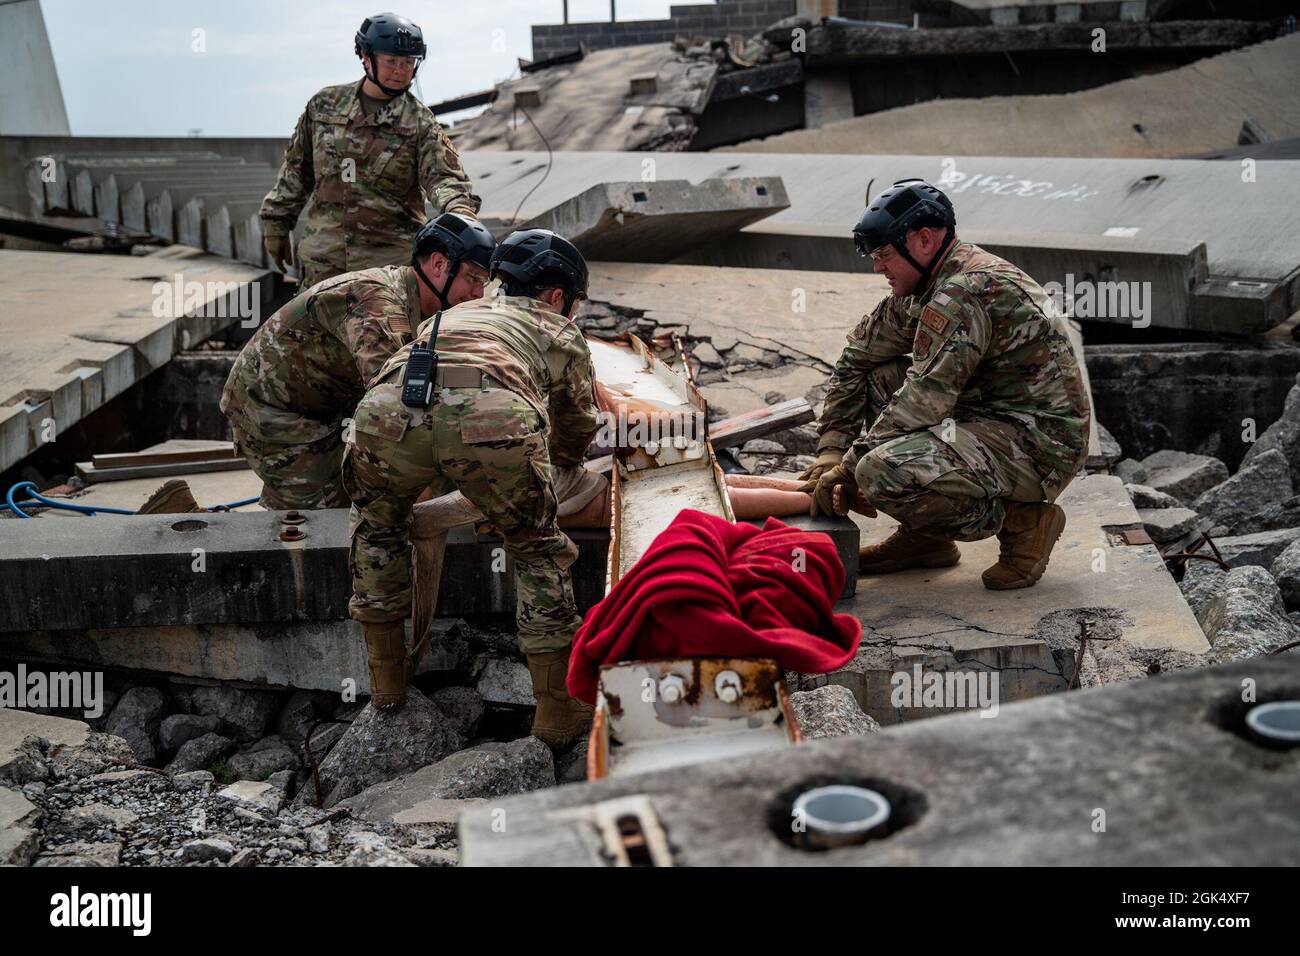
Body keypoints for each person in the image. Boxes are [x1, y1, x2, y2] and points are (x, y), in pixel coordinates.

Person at [343, 228, 600, 748]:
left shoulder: (446, 315)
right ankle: (555, 713)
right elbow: (576, 425)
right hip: (492, 413)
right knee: (536, 552)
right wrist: (553, 474)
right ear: (556, 296)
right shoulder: (558, 330)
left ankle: (387, 687)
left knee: (377, 533)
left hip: (386, 410)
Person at [801, 178, 1091, 590]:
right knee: (875, 376)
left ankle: (1024, 523)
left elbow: (924, 402)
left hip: (1040, 442)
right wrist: (830, 452)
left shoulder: (963, 291)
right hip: (983, 414)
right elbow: (858, 357)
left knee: (882, 471)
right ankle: (927, 540)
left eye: (884, 255)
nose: (877, 267)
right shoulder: (926, 283)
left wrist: (848, 469)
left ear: (923, 240)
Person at [222, 213, 495, 509]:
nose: (478, 293)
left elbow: (442, 386)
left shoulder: (430, 306)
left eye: (483, 282)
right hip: (276, 412)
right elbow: (395, 403)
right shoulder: (377, 304)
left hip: (330, 403)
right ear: (440, 264)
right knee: (329, 522)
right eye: (473, 278)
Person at [260, 12, 480, 288]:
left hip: (388, 270)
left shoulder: (420, 122)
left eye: (408, 63)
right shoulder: (324, 106)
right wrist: (276, 223)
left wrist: (459, 210)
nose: (400, 71)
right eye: (391, 61)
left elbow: (444, 178)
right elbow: (296, 171)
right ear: (365, 57)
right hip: (324, 263)